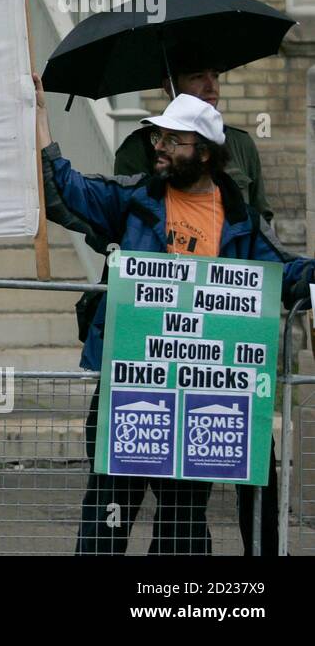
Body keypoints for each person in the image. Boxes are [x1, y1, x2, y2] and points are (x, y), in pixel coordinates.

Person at [35, 75, 315, 554]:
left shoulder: (239, 221)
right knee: (109, 506)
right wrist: (37, 118)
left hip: (201, 392)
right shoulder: (135, 199)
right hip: (130, 383)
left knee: (183, 519)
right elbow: (65, 188)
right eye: (156, 138)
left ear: (204, 152)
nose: (159, 148)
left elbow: (287, 271)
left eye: (171, 140)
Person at [113, 57, 280, 556]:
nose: (211, 85)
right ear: (170, 85)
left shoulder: (241, 161)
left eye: (215, 76)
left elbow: (265, 247)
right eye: (196, 77)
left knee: (240, 485)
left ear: (208, 153)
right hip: (147, 356)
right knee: (123, 489)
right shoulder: (138, 163)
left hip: (226, 355)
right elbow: (105, 212)